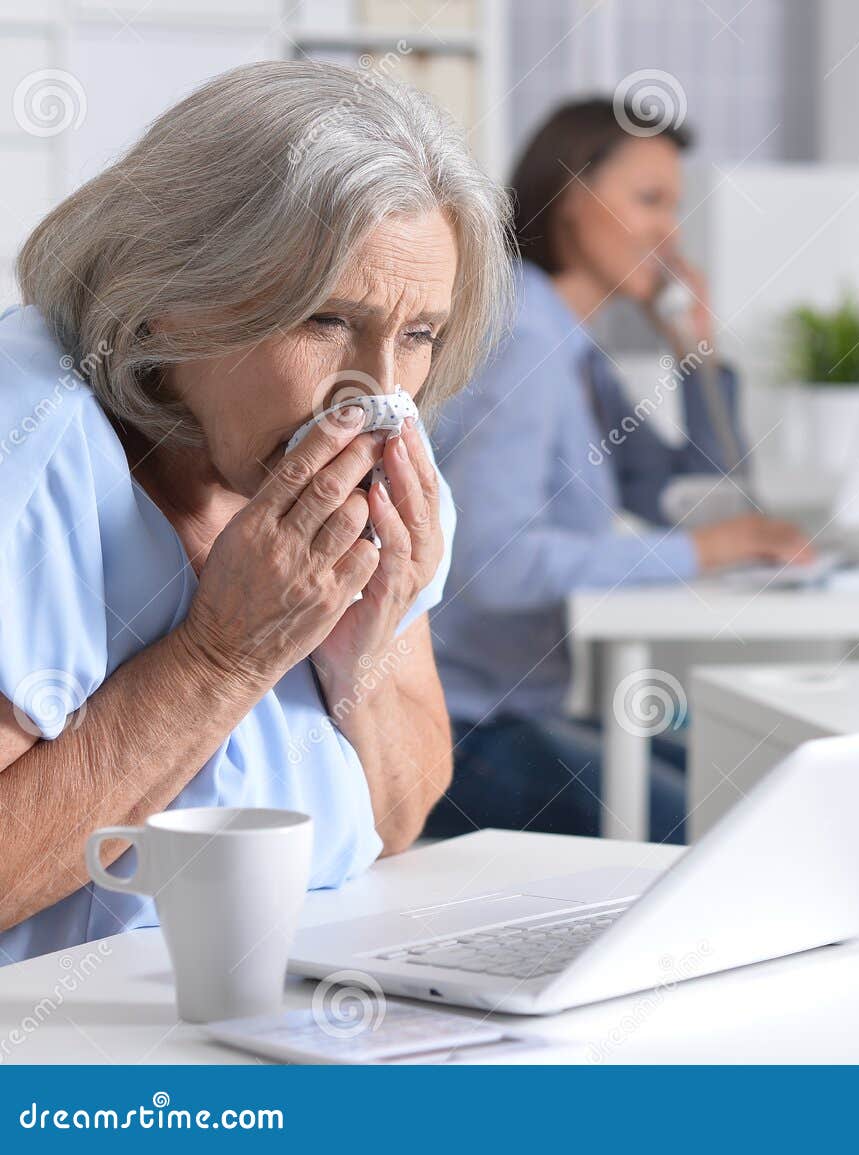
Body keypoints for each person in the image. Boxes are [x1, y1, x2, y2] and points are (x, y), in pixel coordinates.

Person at [0, 60, 513, 962]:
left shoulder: (378, 453)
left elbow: (398, 818)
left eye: (419, 334)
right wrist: (223, 656)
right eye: (323, 319)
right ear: (165, 301)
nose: (380, 391)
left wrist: (366, 640)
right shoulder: (30, 453)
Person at [426, 99, 811, 845]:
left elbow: (691, 495)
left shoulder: (573, 350)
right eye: (649, 200)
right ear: (572, 200)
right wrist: (711, 551)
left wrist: (692, 348)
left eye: (675, 206)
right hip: (460, 727)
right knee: (732, 830)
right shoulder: (522, 343)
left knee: (763, 783)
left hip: (524, 706)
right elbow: (492, 564)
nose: (669, 231)